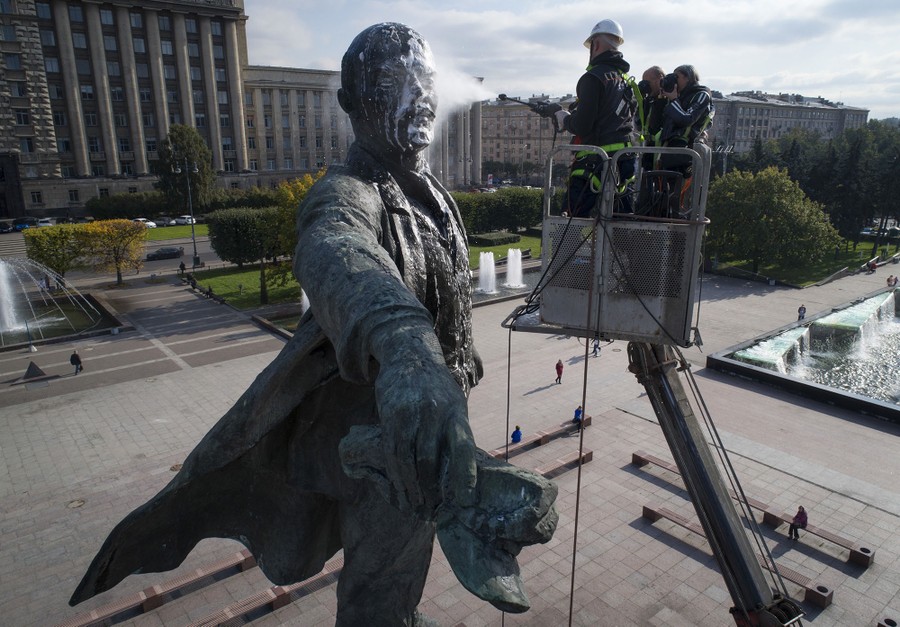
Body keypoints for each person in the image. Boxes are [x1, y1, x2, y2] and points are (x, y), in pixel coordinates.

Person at [69, 23, 556, 625]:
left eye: (424, 80)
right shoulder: (343, 193)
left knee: (407, 571)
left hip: (429, 417)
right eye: (392, 82)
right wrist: (405, 344)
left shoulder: (434, 192)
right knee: (381, 589)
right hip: (376, 438)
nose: (417, 96)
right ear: (352, 103)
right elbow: (337, 248)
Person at [553, 19, 638, 217]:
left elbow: (582, 125)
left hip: (595, 162)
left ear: (596, 44)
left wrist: (564, 118)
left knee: (570, 222)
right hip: (624, 162)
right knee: (621, 223)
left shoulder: (593, 78)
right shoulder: (625, 81)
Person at [658, 64, 714, 205]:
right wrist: (660, 99)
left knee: (677, 198)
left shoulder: (701, 94)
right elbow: (655, 125)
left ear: (688, 78)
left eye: (677, 77)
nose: (674, 81)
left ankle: (674, 222)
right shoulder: (678, 95)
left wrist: (673, 100)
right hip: (668, 152)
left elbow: (687, 119)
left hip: (685, 153)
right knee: (662, 196)